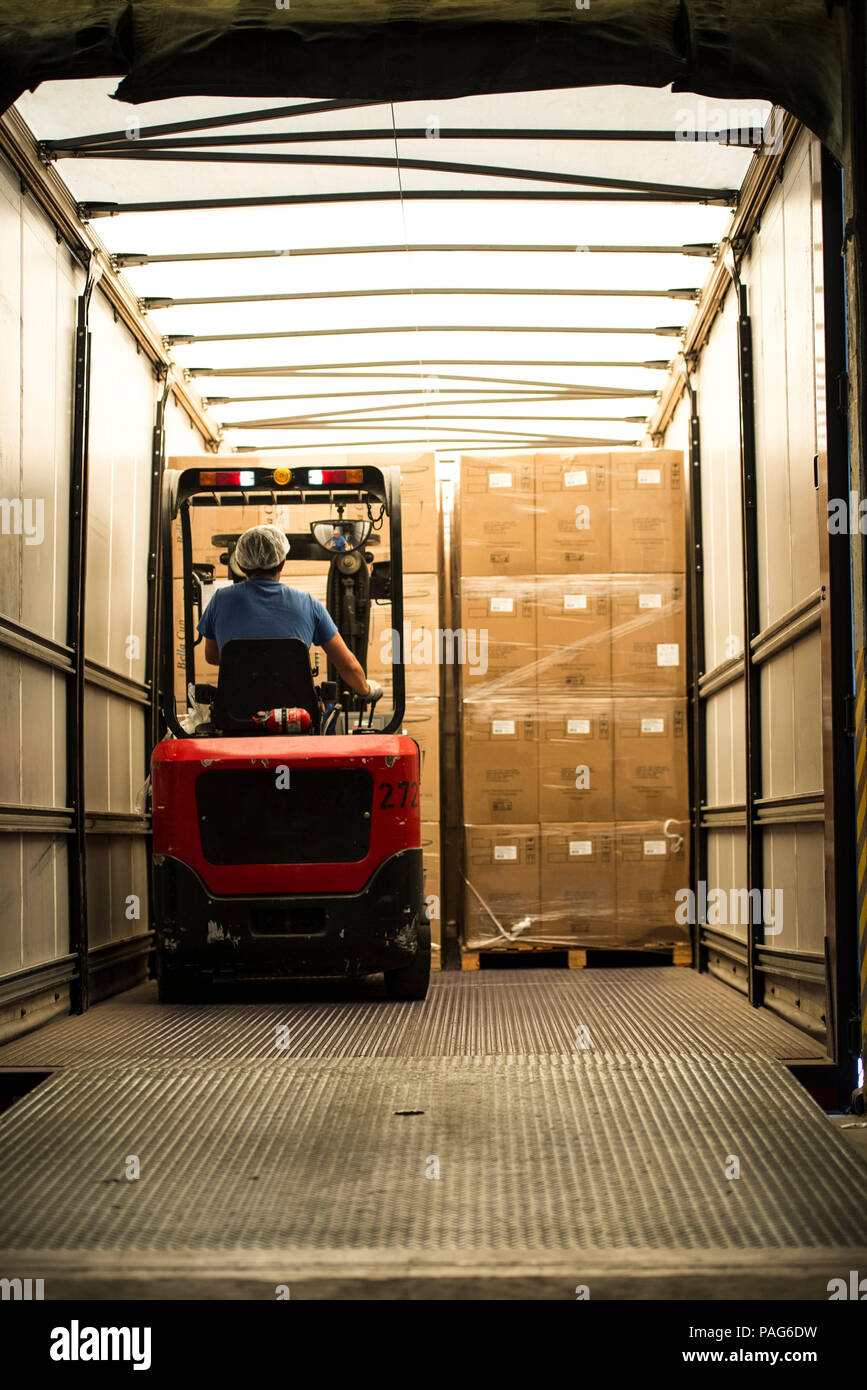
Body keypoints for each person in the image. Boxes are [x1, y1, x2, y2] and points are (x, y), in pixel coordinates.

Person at [198, 524, 381, 700]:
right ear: (282, 563)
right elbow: (346, 665)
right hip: (295, 719)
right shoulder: (308, 604)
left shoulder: (219, 600)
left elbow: (213, 657)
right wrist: (366, 690)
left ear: (239, 563)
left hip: (234, 719)